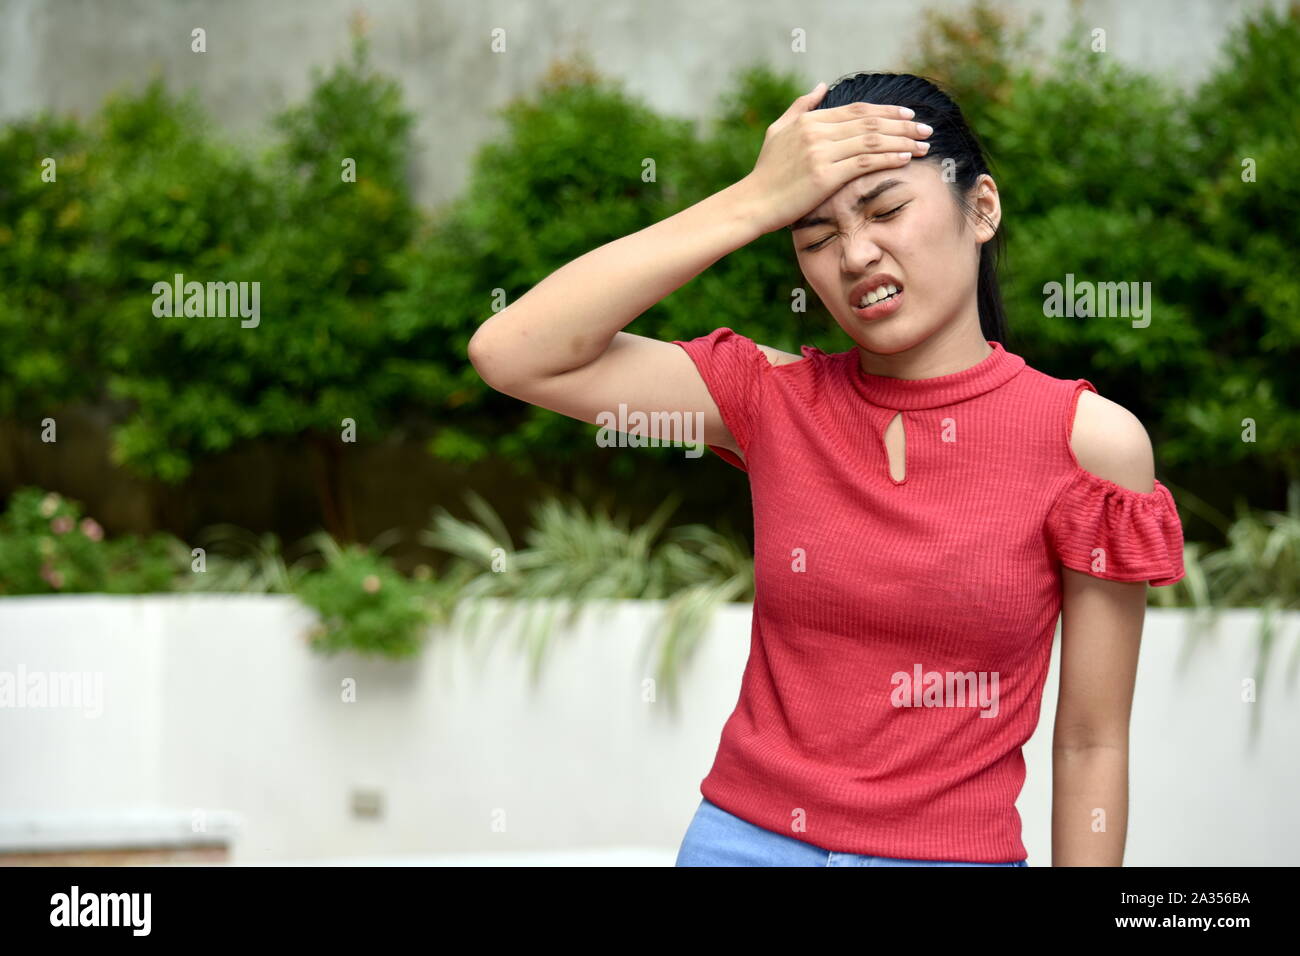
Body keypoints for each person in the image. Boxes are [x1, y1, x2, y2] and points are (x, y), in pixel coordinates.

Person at [467, 71, 1186, 867]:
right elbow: (512, 354)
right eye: (812, 234)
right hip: (740, 845)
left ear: (981, 207)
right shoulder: (770, 401)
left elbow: (1091, 743)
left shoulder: (1092, 445)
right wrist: (752, 199)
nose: (856, 253)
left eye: (886, 210)